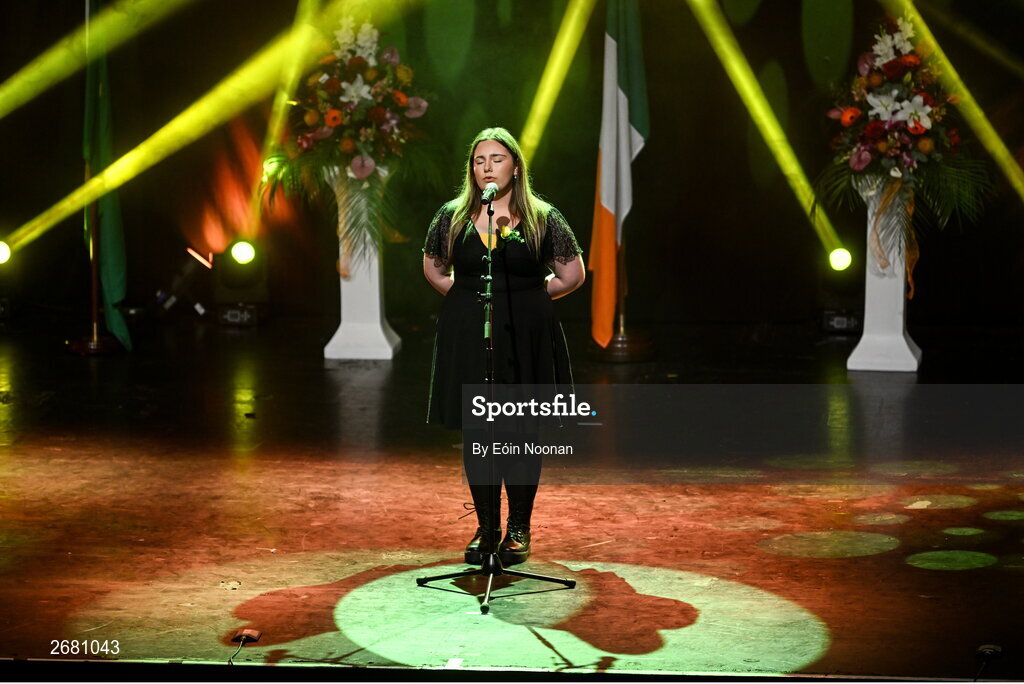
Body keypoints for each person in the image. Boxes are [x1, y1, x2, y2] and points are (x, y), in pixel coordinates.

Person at [422, 127, 585, 566]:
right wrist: (472, 301)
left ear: (515, 167)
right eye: (479, 160)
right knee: (481, 436)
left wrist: (527, 301)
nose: (486, 167)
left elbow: (572, 276)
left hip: (526, 336)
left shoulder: (543, 218)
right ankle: (487, 528)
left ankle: (518, 529)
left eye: (496, 159)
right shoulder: (452, 216)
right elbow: (435, 270)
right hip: (471, 336)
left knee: (519, 436)